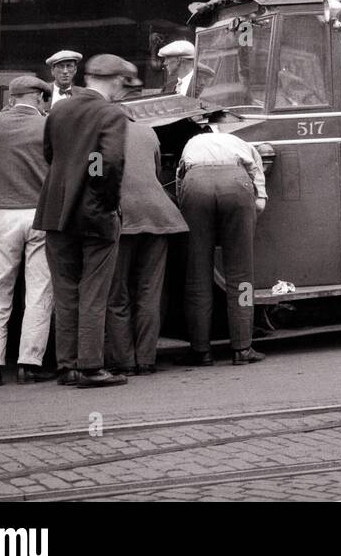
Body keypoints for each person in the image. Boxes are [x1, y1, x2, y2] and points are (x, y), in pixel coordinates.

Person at [33, 54, 136, 389]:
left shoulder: (60, 109)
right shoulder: (110, 113)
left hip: (55, 212)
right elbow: (108, 163)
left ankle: (68, 366)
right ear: (117, 80)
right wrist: (103, 202)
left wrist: (76, 175)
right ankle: (91, 366)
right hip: (94, 215)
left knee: (66, 293)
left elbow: (51, 155)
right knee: (93, 292)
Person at [0, 76, 55, 387]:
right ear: (40, 98)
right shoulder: (48, 125)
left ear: (12, 98)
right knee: (39, 291)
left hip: (2, 215)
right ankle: (29, 364)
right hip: (39, 214)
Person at [177, 124, 268, 366]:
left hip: (196, 185)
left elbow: (180, 180)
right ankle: (242, 348)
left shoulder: (193, 141)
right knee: (242, 276)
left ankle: (201, 351)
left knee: (197, 275)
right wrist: (253, 209)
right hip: (236, 184)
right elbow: (257, 177)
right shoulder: (241, 143)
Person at [105, 117, 187, 376]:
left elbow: (95, 174)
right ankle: (146, 360)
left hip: (121, 216)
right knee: (150, 291)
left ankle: (124, 362)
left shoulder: (98, 135)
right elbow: (155, 170)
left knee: (117, 294)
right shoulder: (148, 132)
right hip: (157, 215)